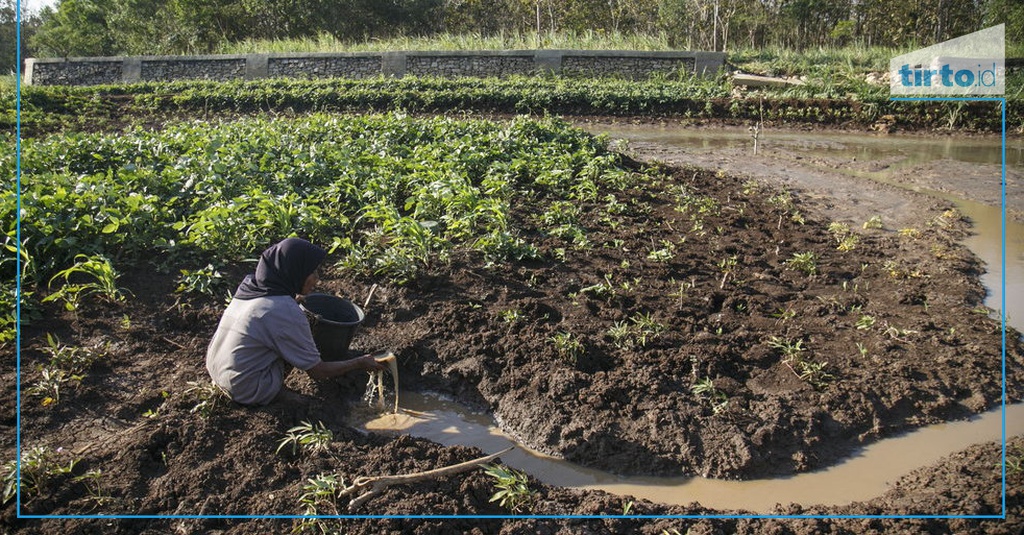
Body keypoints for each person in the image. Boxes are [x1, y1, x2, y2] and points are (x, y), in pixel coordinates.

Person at [205, 237, 385, 405]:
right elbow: (318, 372)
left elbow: (267, 316)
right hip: (245, 389)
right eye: (312, 272)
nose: (317, 278)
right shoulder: (284, 311)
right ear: (295, 271)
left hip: (217, 371)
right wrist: (359, 363)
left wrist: (291, 301)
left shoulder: (251, 287)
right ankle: (274, 392)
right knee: (297, 344)